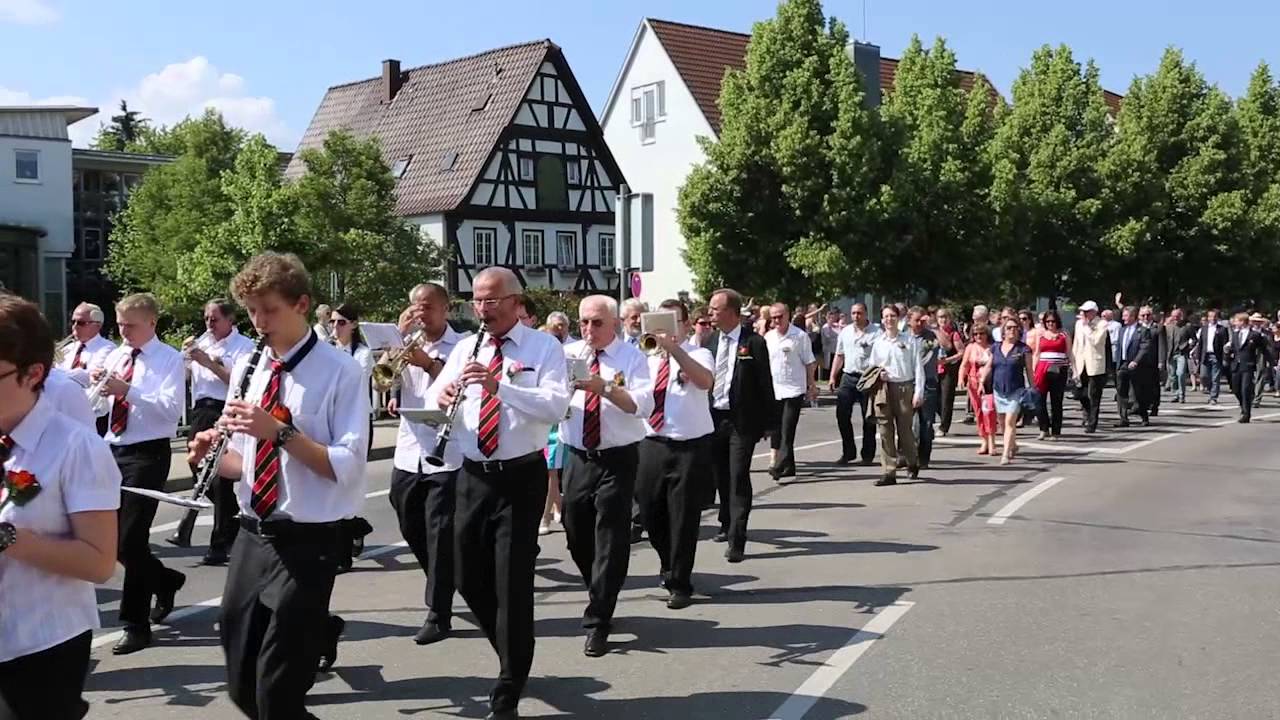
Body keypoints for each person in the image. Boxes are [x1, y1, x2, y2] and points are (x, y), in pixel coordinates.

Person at [187, 251, 370, 718]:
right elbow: (241, 464)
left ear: (302, 304)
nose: (259, 321)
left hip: (308, 540)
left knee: (277, 692)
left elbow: (346, 466)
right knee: (240, 685)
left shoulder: (342, 371)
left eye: (269, 309)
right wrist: (211, 453)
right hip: (252, 533)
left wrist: (279, 432)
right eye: (251, 311)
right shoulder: (250, 367)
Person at [433, 267, 571, 720]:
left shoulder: (543, 347)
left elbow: (555, 406)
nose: (482, 309)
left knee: (511, 579)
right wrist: (444, 392)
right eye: (476, 300)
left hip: (520, 476)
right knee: (464, 574)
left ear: (515, 302)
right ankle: (514, 648)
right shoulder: (468, 347)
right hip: (473, 474)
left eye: (491, 300)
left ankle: (509, 682)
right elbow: (437, 395)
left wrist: (500, 387)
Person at [0, 294, 120, 720]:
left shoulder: (75, 447)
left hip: (38, 647)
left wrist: (7, 538)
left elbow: (99, 562)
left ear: (33, 374)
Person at [559, 295, 652, 657]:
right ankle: (599, 587)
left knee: (610, 537)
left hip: (617, 456)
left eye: (596, 323)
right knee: (575, 529)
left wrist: (605, 388)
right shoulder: (569, 354)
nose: (588, 329)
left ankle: (598, 618)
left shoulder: (631, 357)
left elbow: (642, 405)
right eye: (583, 322)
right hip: (578, 455)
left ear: (613, 323)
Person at [95, 293, 186, 656]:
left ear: (151, 323)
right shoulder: (117, 355)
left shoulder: (169, 359)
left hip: (147, 453)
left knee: (129, 541)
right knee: (108, 538)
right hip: (111, 449)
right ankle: (165, 580)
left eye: (130, 325)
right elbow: (101, 405)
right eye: (119, 325)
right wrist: (100, 389)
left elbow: (169, 411)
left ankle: (135, 623)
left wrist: (127, 390)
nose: (124, 332)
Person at [386, 282, 467, 646]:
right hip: (408, 449)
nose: (421, 312)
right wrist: (391, 380)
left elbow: (462, 390)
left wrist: (430, 364)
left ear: (445, 309)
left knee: (440, 533)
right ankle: (444, 578)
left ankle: (438, 613)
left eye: (428, 306)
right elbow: (384, 382)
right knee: (408, 522)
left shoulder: (462, 346)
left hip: (446, 452)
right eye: (416, 306)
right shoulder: (405, 343)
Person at [636, 299, 714, 611]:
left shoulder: (698, 353)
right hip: (652, 443)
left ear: (684, 325)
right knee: (651, 513)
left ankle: (681, 582)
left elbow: (705, 382)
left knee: (683, 517)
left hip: (689, 446)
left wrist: (675, 351)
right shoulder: (645, 357)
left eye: (673, 322)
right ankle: (667, 563)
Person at [171, 299, 255, 564]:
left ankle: (219, 542)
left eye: (215, 318)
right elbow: (183, 378)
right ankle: (232, 521)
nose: (209, 323)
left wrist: (208, 362)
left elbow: (240, 381)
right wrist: (183, 360)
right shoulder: (201, 343)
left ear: (230, 320)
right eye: (207, 317)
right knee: (197, 467)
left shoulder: (244, 347)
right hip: (200, 411)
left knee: (219, 480)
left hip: (225, 409)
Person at [704, 288, 774, 563]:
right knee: (720, 475)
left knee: (737, 477)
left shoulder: (753, 342)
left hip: (742, 421)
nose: (710, 313)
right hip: (714, 418)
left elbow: (765, 382)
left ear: (731, 312)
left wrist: (770, 422)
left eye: (715, 309)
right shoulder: (710, 341)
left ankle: (737, 537)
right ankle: (726, 522)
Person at [328, 303, 375, 571]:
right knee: (333, 482)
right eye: (333, 322)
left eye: (341, 322)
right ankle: (355, 529)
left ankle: (345, 550)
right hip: (332, 420)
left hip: (357, 422)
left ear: (354, 325)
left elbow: (353, 379)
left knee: (349, 480)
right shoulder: (330, 351)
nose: (336, 328)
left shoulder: (362, 353)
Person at [868, 305, 924, 485]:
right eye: (885, 316)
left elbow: (917, 367)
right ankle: (889, 471)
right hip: (884, 389)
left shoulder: (909, 340)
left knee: (905, 431)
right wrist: (878, 375)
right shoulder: (879, 342)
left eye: (892, 316)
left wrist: (918, 392)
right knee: (885, 430)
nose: (889, 319)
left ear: (898, 318)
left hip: (904, 388)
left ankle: (912, 462)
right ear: (882, 319)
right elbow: (872, 367)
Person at [764, 303, 817, 483]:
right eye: (774, 317)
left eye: (780, 316)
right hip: (774, 389)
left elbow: (809, 362)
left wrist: (812, 385)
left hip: (794, 389)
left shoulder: (799, 336)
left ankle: (779, 464)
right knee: (777, 428)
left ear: (788, 316)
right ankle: (789, 466)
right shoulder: (768, 337)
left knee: (788, 428)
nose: (777, 320)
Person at [828, 303, 879, 465]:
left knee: (868, 417)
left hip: (868, 377)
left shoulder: (877, 332)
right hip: (848, 376)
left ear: (865, 314)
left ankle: (867, 454)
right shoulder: (845, 332)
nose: (856, 316)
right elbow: (839, 355)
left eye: (859, 313)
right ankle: (848, 452)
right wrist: (832, 376)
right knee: (842, 415)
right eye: (853, 313)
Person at [58, 302, 114, 436]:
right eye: (73, 321)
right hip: (64, 413)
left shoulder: (107, 348)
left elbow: (90, 376)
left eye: (81, 323)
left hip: (92, 415)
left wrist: (55, 372)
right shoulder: (67, 349)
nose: (75, 326)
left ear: (97, 325)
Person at [991, 317, 1034, 464]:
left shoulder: (1024, 349)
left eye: (1015, 327)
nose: (1012, 330)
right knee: (1002, 422)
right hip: (998, 388)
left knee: (1010, 421)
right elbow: (989, 365)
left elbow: (1029, 369)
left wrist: (1032, 387)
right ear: (1003, 331)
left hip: (1016, 389)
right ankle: (1013, 445)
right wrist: (981, 380)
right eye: (1009, 327)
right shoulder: (995, 347)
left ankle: (1005, 453)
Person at [1031, 309, 1072, 440]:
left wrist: (1073, 368)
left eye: (1053, 321)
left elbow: (1070, 352)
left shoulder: (1064, 334)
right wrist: (1033, 369)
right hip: (1042, 368)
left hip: (1059, 369)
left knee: (1056, 401)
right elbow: (1037, 353)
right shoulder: (1041, 335)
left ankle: (1056, 431)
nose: (1050, 324)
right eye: (1047, 321)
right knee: (1039, 400)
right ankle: (1044, 428)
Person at [958, 323, 997, 455]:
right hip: (973, 384)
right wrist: (961, 379)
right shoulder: (970, 347)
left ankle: (992, 441)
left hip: (989, 384)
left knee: (989, 412)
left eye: (981, 333)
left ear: (987, 334)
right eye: (975, 334)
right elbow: (964, 365)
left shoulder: (993, 347)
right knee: (979, 413)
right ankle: (984, 440)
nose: (978, 336)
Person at [1072, 301, 1110, 434]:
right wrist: (1073, 362)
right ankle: (1088, 414)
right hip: (1081, 363)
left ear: (1094, 312)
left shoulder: (1102, 324)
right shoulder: (1079, 324)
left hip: (1095, 364)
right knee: (1080, 394)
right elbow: (1076, 343)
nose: (1084, 314)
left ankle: (1092, 423)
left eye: (1087, 311)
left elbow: (1096, 341)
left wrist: (1087, 326)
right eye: (1083, 311)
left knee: (1094, 395)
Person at [1113, 306, 1154, 427]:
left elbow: (1144, 347)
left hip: (1136, 365)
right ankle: (1123, 418)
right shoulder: (1122, 330)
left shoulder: (1142, 331)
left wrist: (1136, 361)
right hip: (1123, 364)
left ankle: (1144, 416)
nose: (1123, 318)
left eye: (1125, 316)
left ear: (1132, 316)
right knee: (1121, 391)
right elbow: (1119, 348)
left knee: (1138, 392)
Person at [1224, 312, 1267, 422]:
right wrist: (1227, 354)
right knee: (1236, 388)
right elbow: (1233, 348)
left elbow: (1264, 348)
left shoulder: (1254, 335)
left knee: (1245, 389)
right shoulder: (1235, 334)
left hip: (1248, 364)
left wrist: (1270, 361)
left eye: (1236, 321)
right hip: (1236, 365)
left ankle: (1246, 413)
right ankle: (1244, 404)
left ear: (1242, 322)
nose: (1235, 323)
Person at [935, 308, 965, 437]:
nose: (943, 319)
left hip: (948, 370)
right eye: (940, 317)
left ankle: (943, 426)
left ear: (950, 319)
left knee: (946, 398)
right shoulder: (933, 333)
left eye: (945, 317)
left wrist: (947, 360)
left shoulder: (954, 334)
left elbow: (961, 352)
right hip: (934, 370)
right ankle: (943, 416)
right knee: (935, 398)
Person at [1198, 309, 1228, 404]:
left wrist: (1225, 358)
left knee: (1215, 378)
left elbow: (1225, 345)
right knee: (1204, 376)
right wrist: (1198, 357)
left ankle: (1213, 397)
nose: (1212, 318)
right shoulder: (1204, 328)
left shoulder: (1222, 329)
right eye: (1210, 316)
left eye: (1214, 316)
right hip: (1205, 355)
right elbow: (1201, 344)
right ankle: (1210, 390)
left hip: (1216, 356)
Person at [1167, 309, 1196, 403]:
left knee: (1180, 374)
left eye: (1177, 316)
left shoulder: (1187, 327)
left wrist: (1189, 346)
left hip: (1181, 354)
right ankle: (1175, 394)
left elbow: (1194, 339)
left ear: (1181, 316)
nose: (1175, 318)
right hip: (1171, 354)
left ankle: (1181, 395)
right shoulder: (1169, 327)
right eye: (1174, 316)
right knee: (1172, 376)